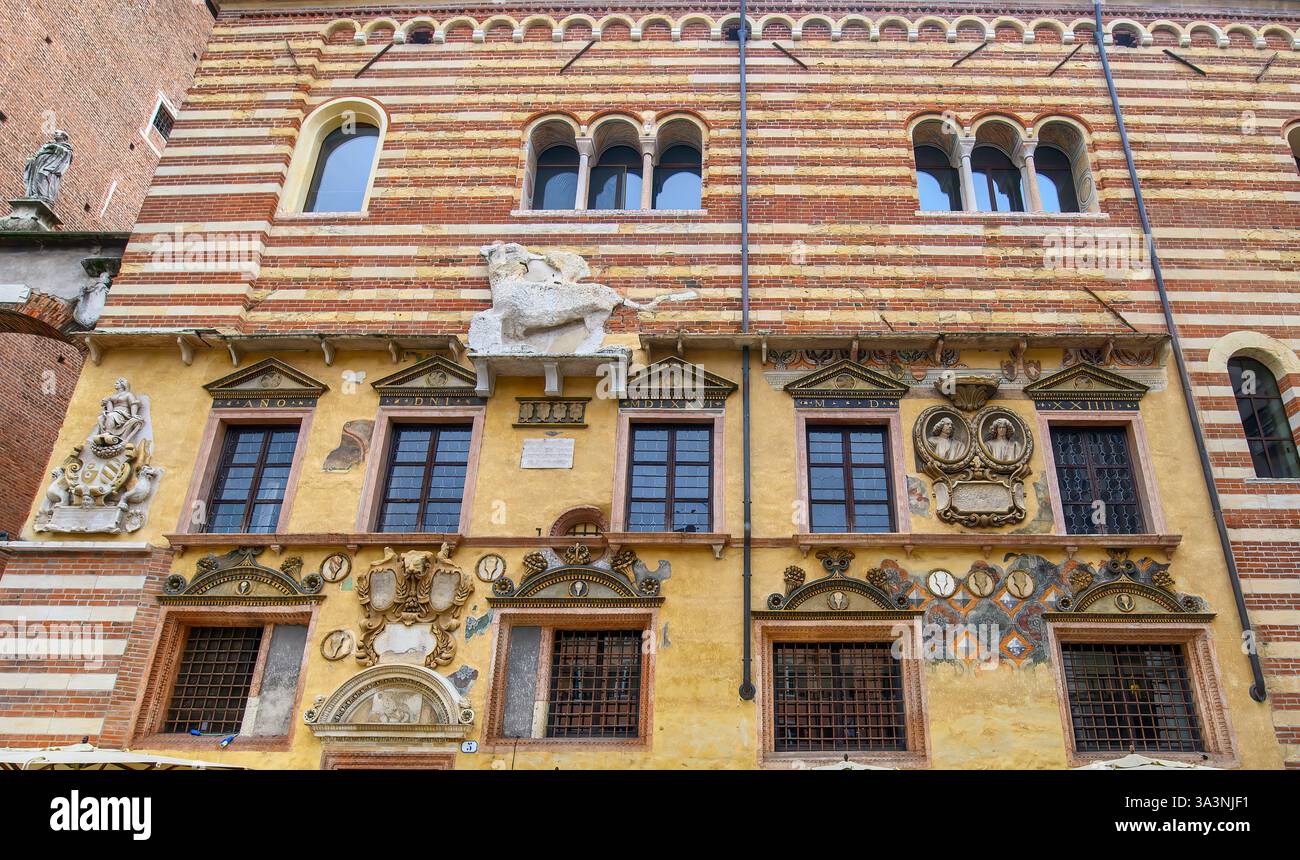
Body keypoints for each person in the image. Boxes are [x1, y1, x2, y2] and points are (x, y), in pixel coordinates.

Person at [22, 131, 74, 202]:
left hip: (50, 166)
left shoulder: (66, 148)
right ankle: (35, 193)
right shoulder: (48, 144)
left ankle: (43, 195)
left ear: (63, 137)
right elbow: (39, 152)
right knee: (35, 176)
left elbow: (65, 156)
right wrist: (33, 159)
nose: (54, 134)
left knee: (42, 175)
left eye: (57, 133)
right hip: (39, 163)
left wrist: (54, 147)